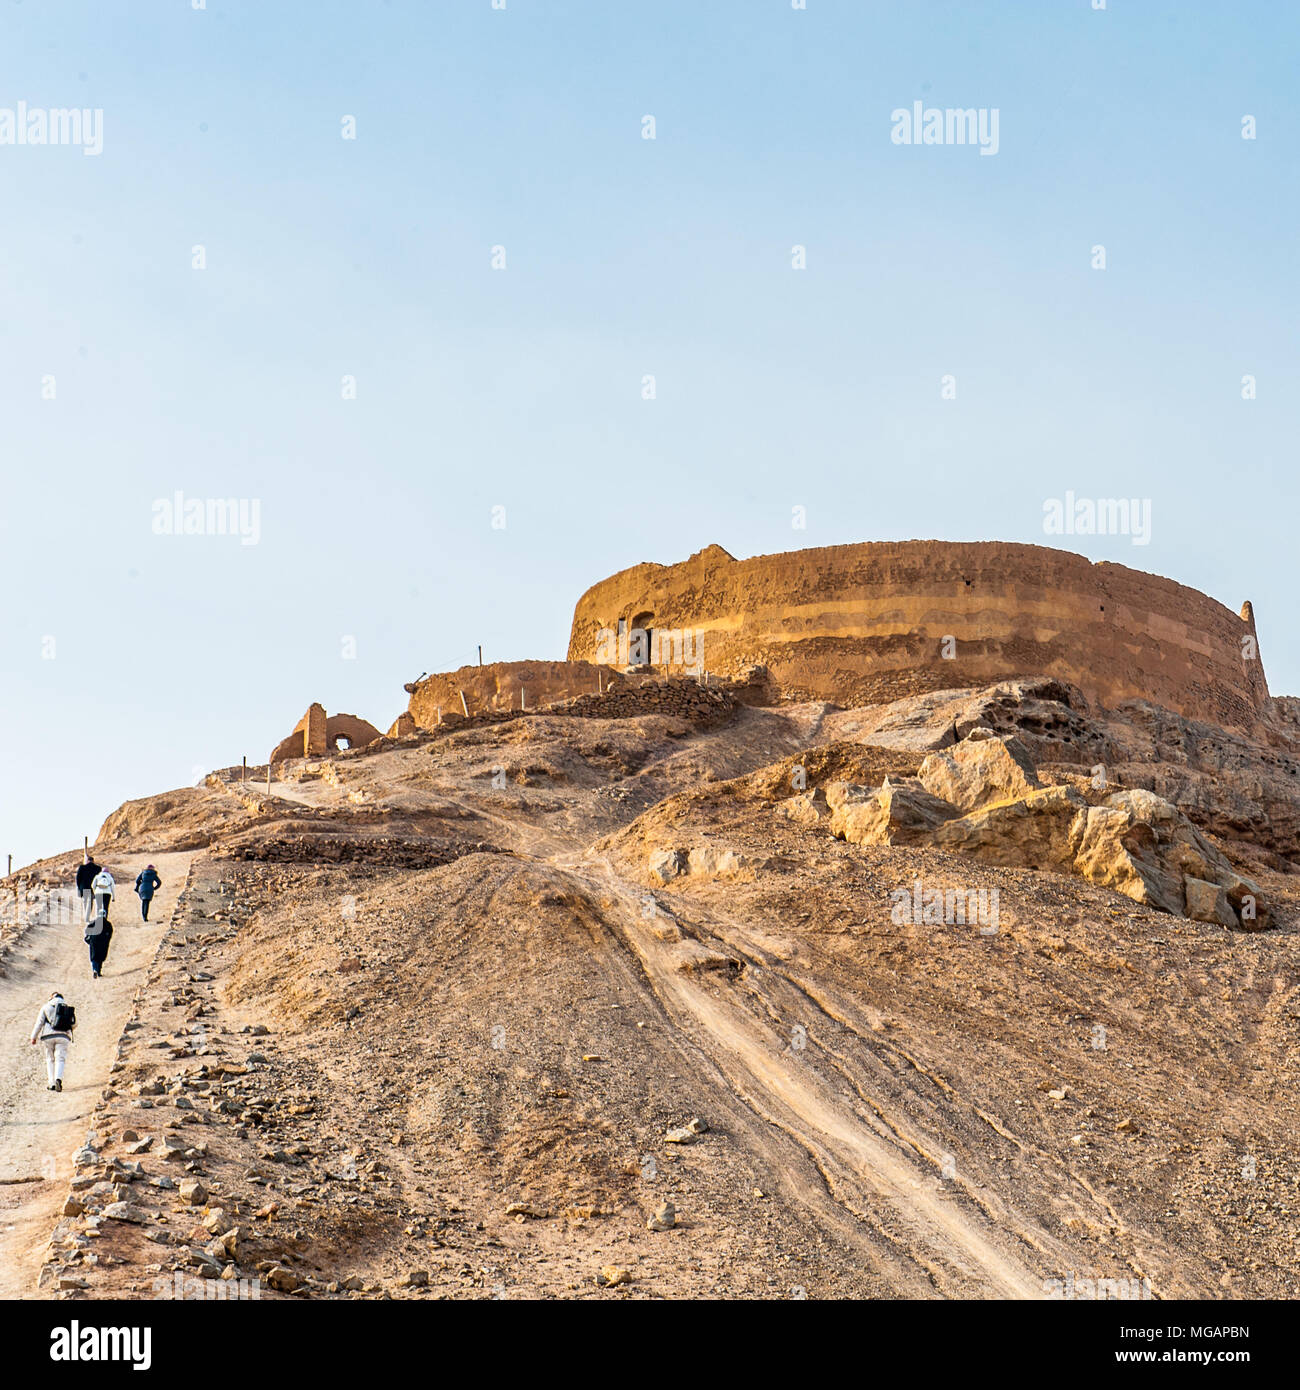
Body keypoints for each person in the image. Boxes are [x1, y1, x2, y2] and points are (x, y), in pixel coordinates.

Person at [29, 990, 75, 1092]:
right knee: (60, 1058)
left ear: (52, 998)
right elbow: (74, 1024)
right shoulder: (67, 1008)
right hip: (63, 1036)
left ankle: (51, 1083)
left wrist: (33, 1037)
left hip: (48, 1036)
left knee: (50, 1059)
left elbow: (39, 1023)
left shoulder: (46, 1006)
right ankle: (58, 1079)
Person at [75, 853, 101, 927]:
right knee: (90, 903)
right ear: (93, 861)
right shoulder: (98, 868)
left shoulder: (82, 867)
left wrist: (79, 887)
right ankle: (87, 916)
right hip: (93, 889)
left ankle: (86, 917)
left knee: (85, 902)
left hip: (84, 887)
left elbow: (78, 878)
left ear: (87, 861)